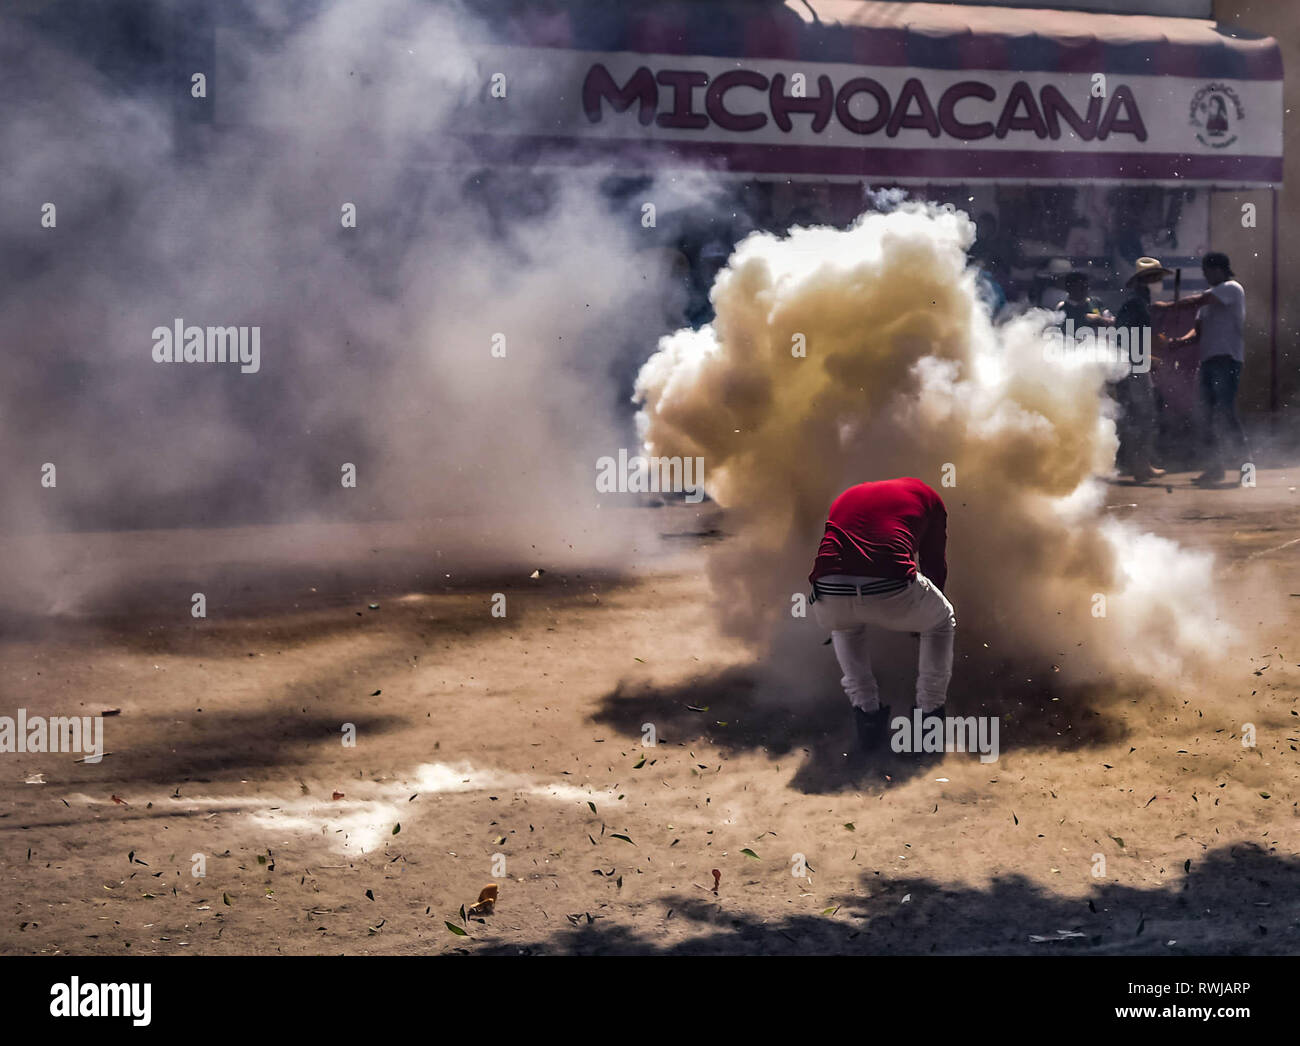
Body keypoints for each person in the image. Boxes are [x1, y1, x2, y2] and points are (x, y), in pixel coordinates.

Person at [809, 477, 955, 751]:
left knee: (845, 627)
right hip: (890, 586)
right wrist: (921, 615)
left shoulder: (846, 494)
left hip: (827, 592)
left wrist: (835, 618)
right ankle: (928, 722)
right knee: (941, 621)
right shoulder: (931, 498)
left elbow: (839, 555)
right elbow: (934, 563)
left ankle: (867, 722)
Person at [1154, 251, 1249, 485]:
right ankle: (1215, 468)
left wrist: (1169, 305)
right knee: (1205, 415)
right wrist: (1178, 343)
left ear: (1219, 269)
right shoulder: (1209, 300)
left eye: (1208, 271)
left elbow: (1198, 300)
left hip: (1227, 359)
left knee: (1225, 412)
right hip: (1209, 361)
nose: (1206, 275)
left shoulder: (1231, 288)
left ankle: (1245, 466)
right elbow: (1197, 331)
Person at [1111, 258, 1170, 483]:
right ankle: (1140, 465)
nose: (1158, 282)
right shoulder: (1135, 303)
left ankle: (1141, 464)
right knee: (1142, 416)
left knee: (1140, 416)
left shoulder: (1139, 302)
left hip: (1133, 364)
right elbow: (1124, 337)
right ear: (1144, 281)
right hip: (1133, 366)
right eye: (1155, 278)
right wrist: (1143, 357)